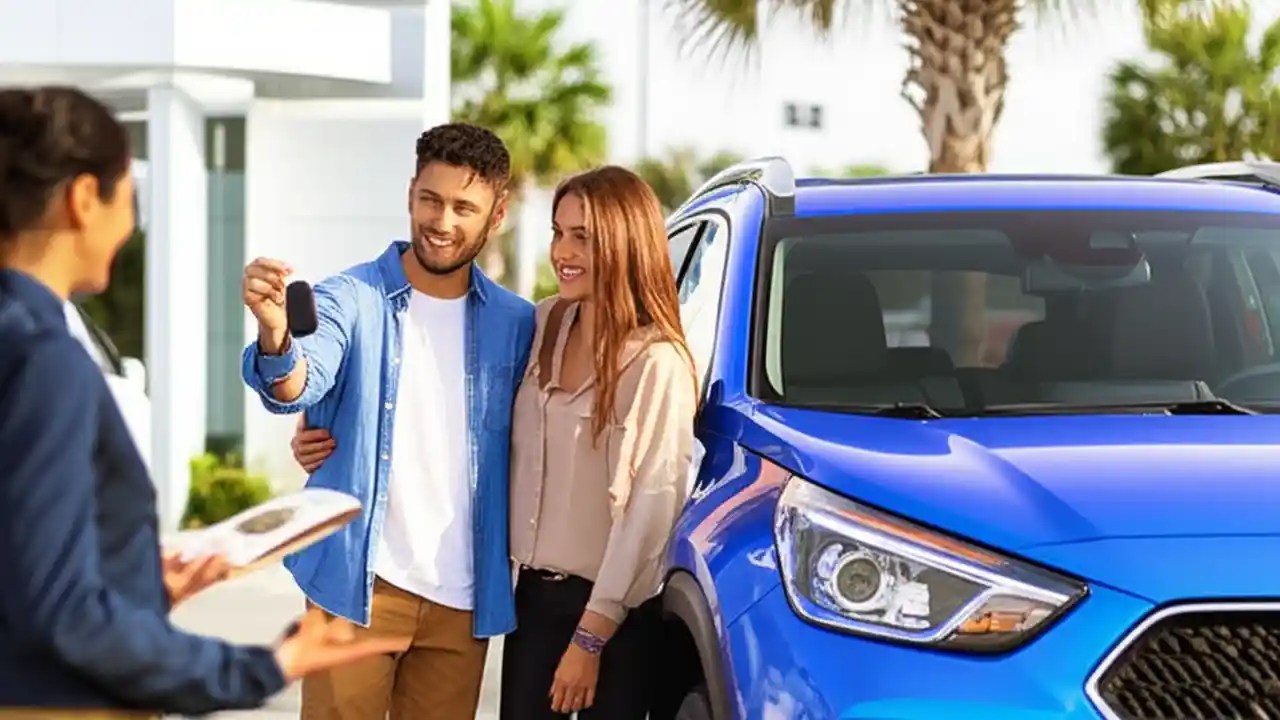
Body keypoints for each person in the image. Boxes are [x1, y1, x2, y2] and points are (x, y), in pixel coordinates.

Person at [0, 85, 399, 719]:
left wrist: (136, 586)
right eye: (129, 195)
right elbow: (67, 616)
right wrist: (261, 668)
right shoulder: (46, 358)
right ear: (84, 198)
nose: (132, 222)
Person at [292, 165, 699, 719]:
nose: (563, 252)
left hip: (610, 618)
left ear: (626, 243)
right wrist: (325, 423)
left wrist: (591, 637)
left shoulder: (657, 363)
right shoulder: (546, 323)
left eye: (583, 237)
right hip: (532, 603)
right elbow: (458, 411)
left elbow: (651, 512)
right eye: (558, 232)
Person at [240, 122, 535, 720]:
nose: (441, 221)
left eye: (463, 207)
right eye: (430, 199)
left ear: (497, 214)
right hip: (358, 586)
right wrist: (275, 335)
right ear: (409, 195)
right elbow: (297, 381)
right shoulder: (351, 296)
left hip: (462, 601)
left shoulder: (517, 322)